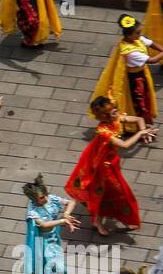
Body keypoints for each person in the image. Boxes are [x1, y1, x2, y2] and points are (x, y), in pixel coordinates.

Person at [66, 96, 156, 236]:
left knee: (119, 193)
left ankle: (121, 218)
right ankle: (98, 222)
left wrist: (144, 132)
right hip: (103, 168)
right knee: (107, 194)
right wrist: (140, 133)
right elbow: (125, 145)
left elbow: (139, 120)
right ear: (104, 116)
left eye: (116, 110)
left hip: (112, 164)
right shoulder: (104, 132)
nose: (117, 113)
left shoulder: (115, 117)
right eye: (113, 112)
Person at [91, 15, 163, 130]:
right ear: (129, 35)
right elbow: (152, 60)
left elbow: (151, 43)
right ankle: (140, 128)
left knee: (144, 99)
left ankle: (144, 123)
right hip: (136, 80)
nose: (140, 35)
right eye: (138, 33)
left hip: (141, 75)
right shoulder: (130, 52)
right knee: (139, 102)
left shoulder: (135, 39)